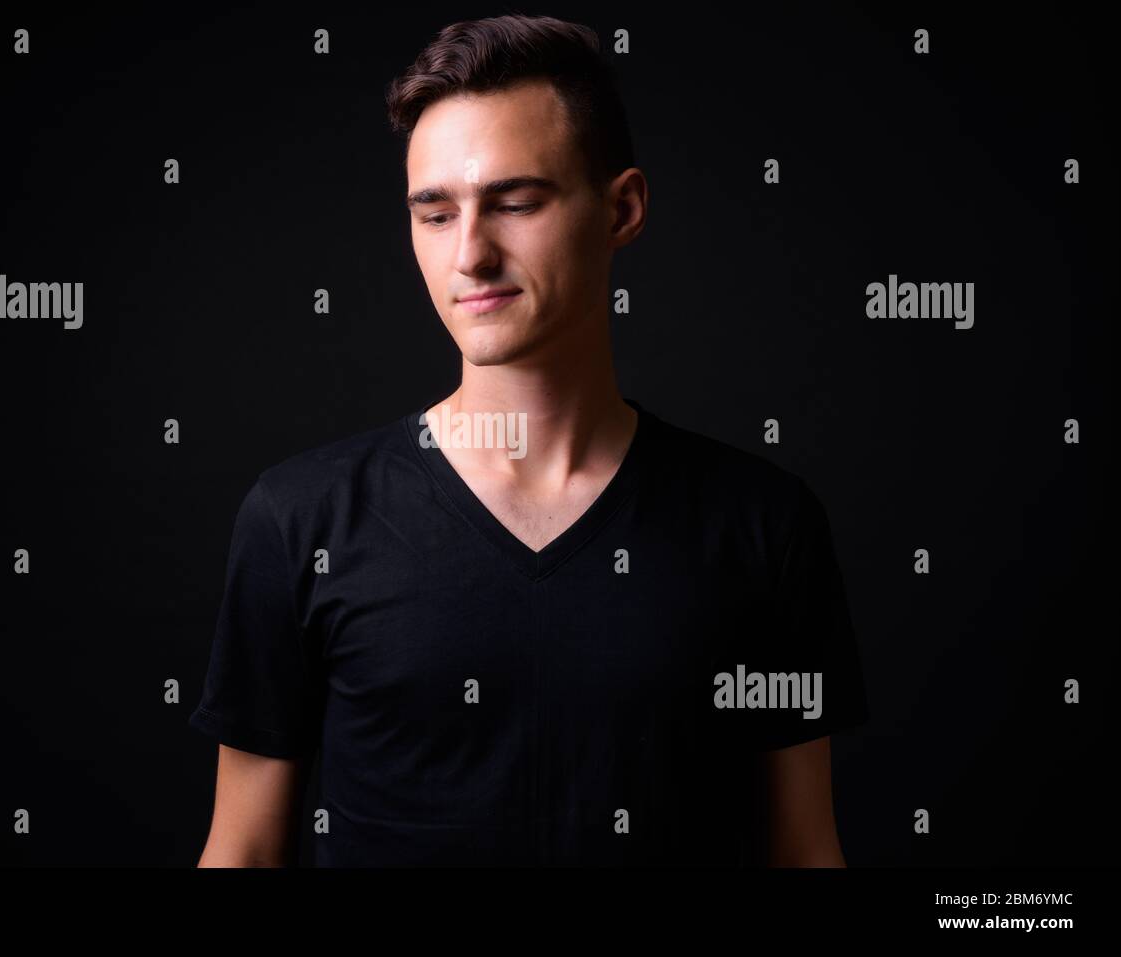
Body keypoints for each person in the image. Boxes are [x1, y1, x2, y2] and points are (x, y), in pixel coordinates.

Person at [190, 13, 868, 867]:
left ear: (621, 208)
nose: (470, 253)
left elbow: (805, 852)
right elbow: (242, 851)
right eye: (435, 214)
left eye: (515, 203)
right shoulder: (300, 519)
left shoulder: (762, 524)